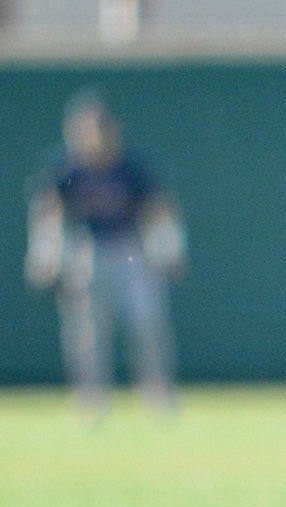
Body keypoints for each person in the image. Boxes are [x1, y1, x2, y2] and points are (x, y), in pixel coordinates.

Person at [24, 91, 186, 420]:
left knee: (147, 323)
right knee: (87, 334)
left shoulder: (130, 167)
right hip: (87, 252)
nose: (93, 137)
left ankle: (157, 395)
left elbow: (158, 208)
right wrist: (45, 254)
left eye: (99, 128)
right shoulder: (66, 168)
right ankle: (91, 400)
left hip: (130, 251)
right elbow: (47, 211)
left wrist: (169, 248)